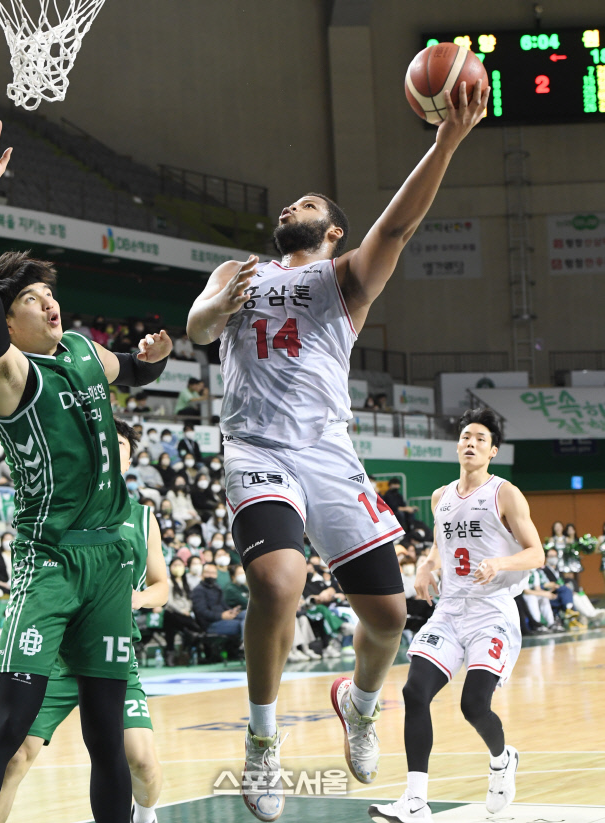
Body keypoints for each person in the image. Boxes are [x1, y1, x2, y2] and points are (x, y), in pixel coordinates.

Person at [187, 71, 489, 821]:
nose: (291, 205)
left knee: (387, 617)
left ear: (332, 233)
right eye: (289, 202)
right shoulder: (238, 271)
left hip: (327, 454)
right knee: (278, 582)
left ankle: (358, 701)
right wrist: (218, 306)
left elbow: (397, 227)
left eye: (309, 204)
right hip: (256, 446)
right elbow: (196, 328)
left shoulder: (345, 278)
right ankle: (263, 741)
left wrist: (446, 140)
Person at [0, 117, 172, 823]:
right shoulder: (11, 375)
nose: (47, 302)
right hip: (49, 561)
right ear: (8, 321)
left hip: (109, 564)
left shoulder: (82, 350)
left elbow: (132, 372)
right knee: (9, 728)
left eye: (47, 293)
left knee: (110, 742)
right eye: (29, 299)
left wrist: (153, 359)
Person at [0, 418, 169, 823]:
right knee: (15, 758)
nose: (110, 450)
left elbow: (162, 586)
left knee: (142, 762)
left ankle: (145, 815)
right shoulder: (59, 504)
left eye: (120, 444)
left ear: (130, 459)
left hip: (111, 651)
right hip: (53, 654)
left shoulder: (143, 518)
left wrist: (135, 598)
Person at [368, 408, 544, 823]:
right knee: (414, 693)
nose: (471, 443)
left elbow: (536, 553)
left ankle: (502, 760)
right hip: (449, 611)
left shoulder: (505, 494)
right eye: (466, 436)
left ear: (493, 451)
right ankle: (415, 801)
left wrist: (500, 564)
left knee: (474, 705)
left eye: (481, 439)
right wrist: (426, 567)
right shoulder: (440, 496)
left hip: (491, 612)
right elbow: (438, 548)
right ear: (457, 444)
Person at [163, 556, 202, 666]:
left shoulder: (186, 582)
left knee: (191, 629)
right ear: (170, 567)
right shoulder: (168, 582)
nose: (177, 567)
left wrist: (187, 609)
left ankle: (186, 651)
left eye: (180, 565)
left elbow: (189, 599)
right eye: (175, 565)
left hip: (185, 613)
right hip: (173, 613)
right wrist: (181, 611)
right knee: (172, 622)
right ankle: (171, 653)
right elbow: (169, 602)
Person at [191, 562, 245, 638]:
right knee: (245, 624)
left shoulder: (216, 587)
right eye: (208, 572)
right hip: (211, 624)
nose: (211, 575)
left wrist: (231, 611)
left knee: (247, 614)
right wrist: (221, 616)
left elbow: (223, 605)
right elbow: (201, 612)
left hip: (224, 618)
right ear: (202, 574)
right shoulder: (198, 590)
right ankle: (245, 644)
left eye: (213, 573)